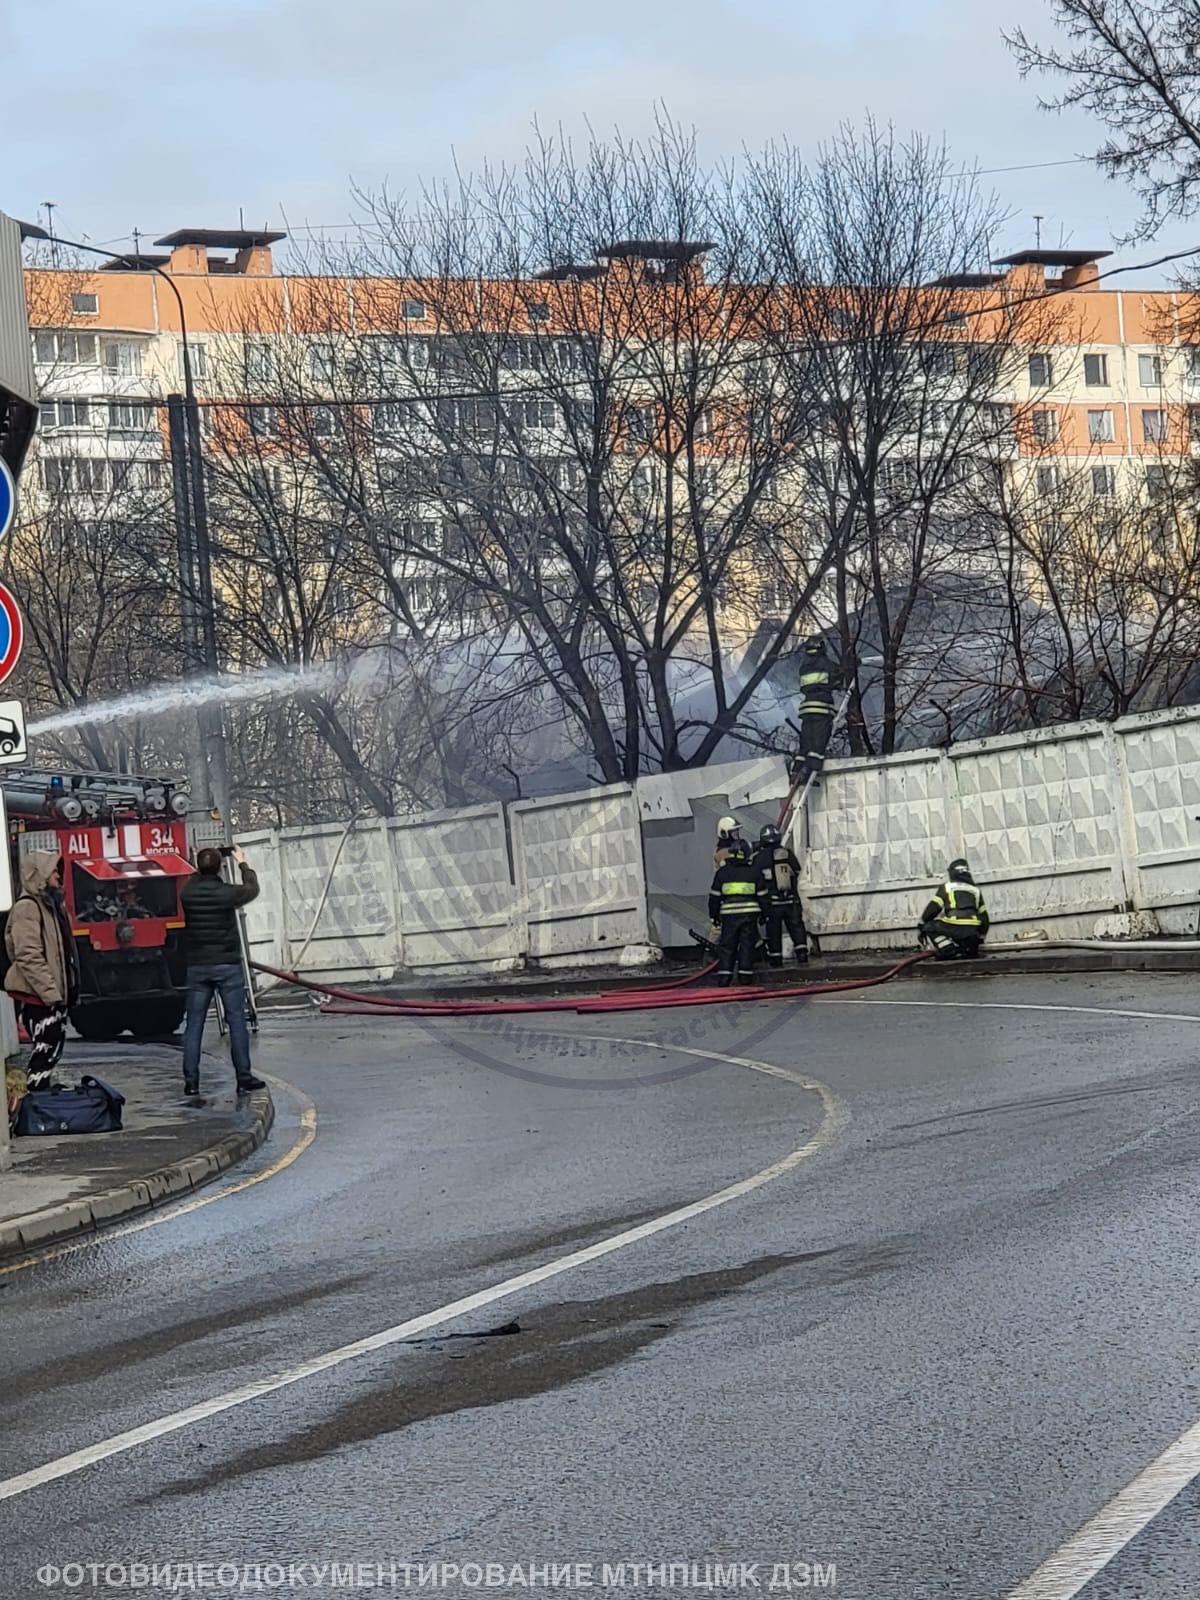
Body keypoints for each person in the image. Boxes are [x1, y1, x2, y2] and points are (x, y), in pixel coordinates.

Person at [180, 846, 264, 1099]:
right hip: (227, 965)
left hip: (198, 966)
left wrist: (201, 866)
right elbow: (252, 889)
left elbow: (195, 879)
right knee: (236, 1019)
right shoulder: (227, 894)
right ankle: (243, 1078)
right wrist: (242, 864)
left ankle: (191, 1082)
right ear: (219, 868)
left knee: (194, 1024)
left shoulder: (188, 894)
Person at [4, 852, 79, 1090]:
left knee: (51, 1047)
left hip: (49, 994)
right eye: (53, 871)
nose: (58, 876)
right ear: (40, 875)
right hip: (37, 996)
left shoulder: (51, 906)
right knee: (45, 1047)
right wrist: (51, 994)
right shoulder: (28, 908)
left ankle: (39, 1098)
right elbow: (28, 955)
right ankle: (34, 1103)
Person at [790, 635, 844, 786]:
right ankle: (808, 773)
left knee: (805, 743)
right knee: (818, 744)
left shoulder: (804, 667)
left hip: (807, 708)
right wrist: (851, 665)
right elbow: (838, 675)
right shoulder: (824, 663)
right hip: (822, 708)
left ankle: (796, 771)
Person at [753, 824, 809, 967]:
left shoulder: (759, 858)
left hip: (772, 904)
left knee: (773, 932)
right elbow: (796, 872)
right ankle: (802, 955)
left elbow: (755, 880)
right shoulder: (787, 854)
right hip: (791, 901)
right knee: (796, 927)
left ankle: (776, 960)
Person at [708, 838, 762, 987]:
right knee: (746, 946)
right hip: (749, 916)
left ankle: (725, 978)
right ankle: (745, 978)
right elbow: (763, 895)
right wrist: (765, 914)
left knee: (727, 947)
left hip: (729, 917)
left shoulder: (723, 873)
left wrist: (714, 916)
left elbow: (714, 897)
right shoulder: (753, 871)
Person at [917, 859, 989, 960]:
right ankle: (966, 949)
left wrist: (922, 922)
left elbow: (933, 908)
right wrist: (981, 936)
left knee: (930, 927)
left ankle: (948, 949)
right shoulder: (976, 890)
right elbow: (984, 917)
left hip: (954, 925)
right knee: (969, 948)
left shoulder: (947, 887)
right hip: (972, 929)